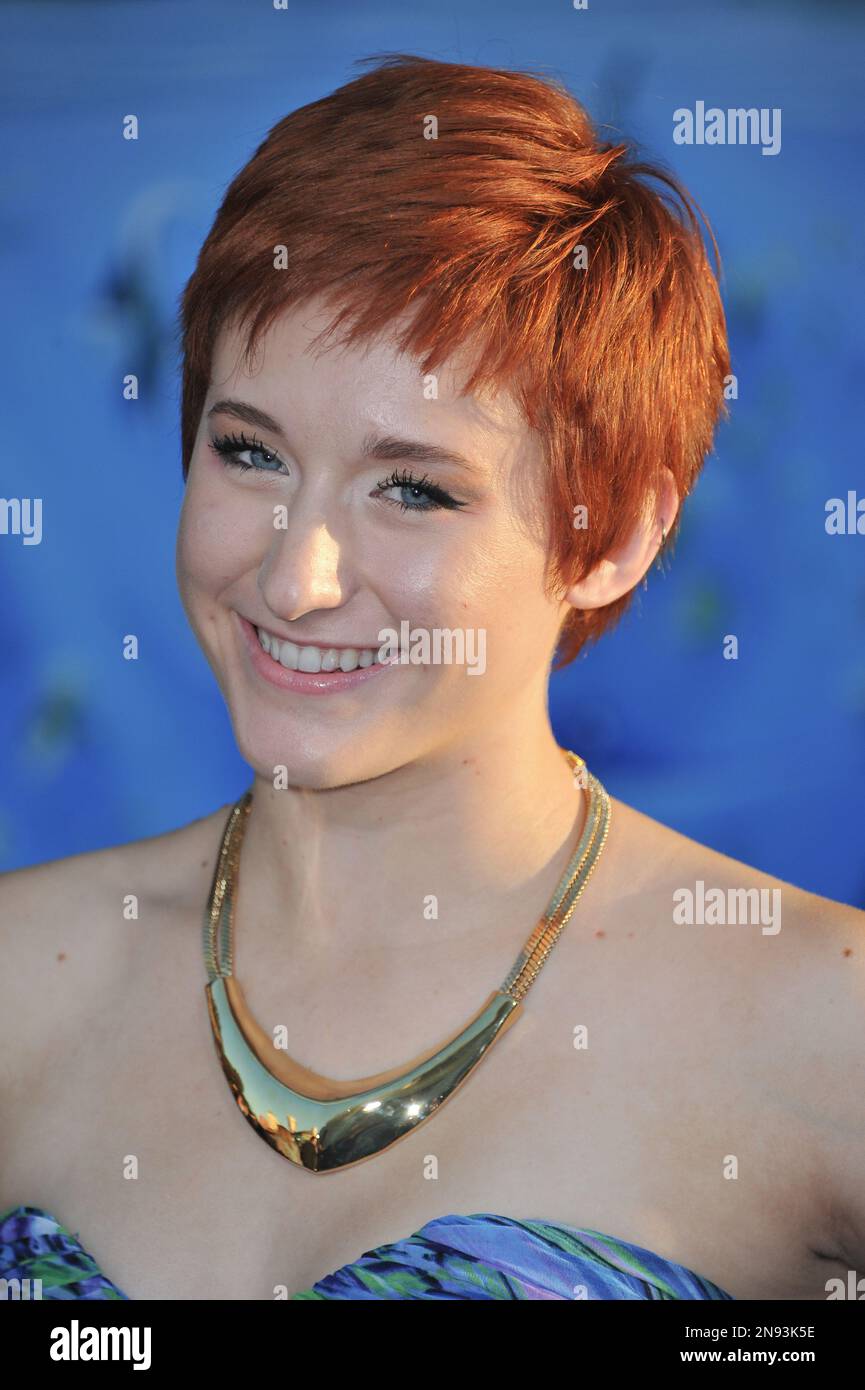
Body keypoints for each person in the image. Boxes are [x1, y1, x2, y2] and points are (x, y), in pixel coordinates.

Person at [1, 53, 862, 1303]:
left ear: (613, 532)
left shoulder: (819, 1028)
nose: (297, 577)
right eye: (250, 453)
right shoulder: (24, 972)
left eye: (413, 488)